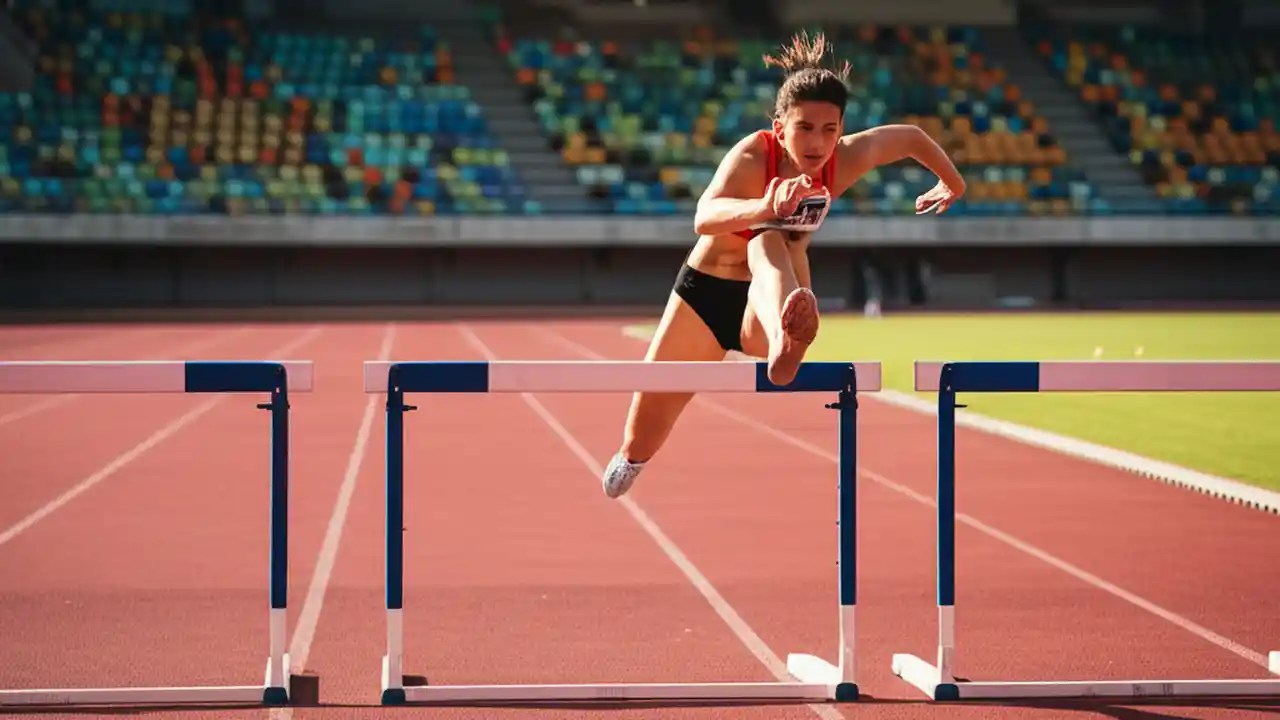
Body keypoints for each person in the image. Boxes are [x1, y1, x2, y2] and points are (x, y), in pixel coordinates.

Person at [600, 30, 966, 499]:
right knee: (642, 434)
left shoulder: (843, 159)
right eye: (805, 128)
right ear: (780, 128)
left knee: (768, 244)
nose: (818, 143)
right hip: (705, 295)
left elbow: (910, 138)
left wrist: (952, 183)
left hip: (773, 303)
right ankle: (633, 458)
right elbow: (704, 217)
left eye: (830, 130)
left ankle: (786, 341)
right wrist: (763, 206)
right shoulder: (754, 155)